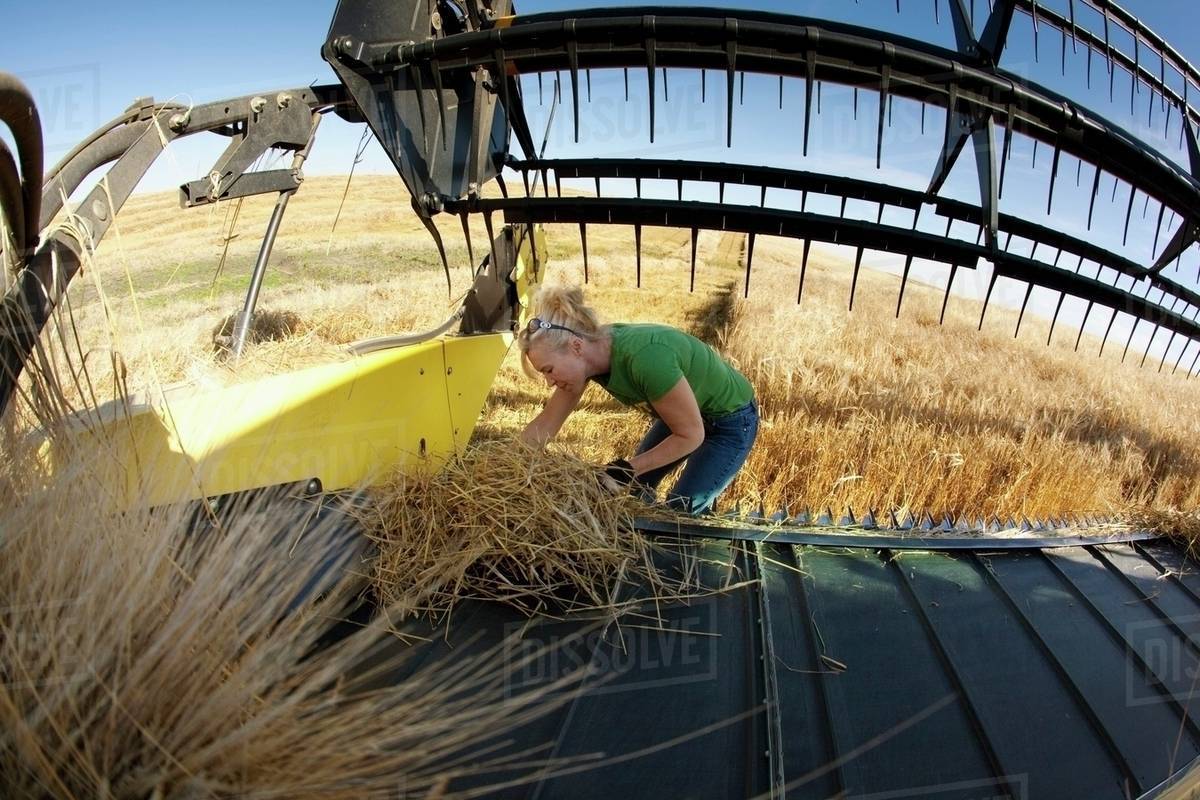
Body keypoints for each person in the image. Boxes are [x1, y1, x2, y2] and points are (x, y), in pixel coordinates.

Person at [517, 284, 758, 515]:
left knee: (681, 509)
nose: (549, 382)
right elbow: (546, 424)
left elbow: (691, 434)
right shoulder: (587, 361)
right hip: (680, 410)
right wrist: (512, 465)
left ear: (576, 346)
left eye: (549, 370)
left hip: (729, 421)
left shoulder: (645, 359)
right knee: (636, 489)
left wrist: (627, 469)